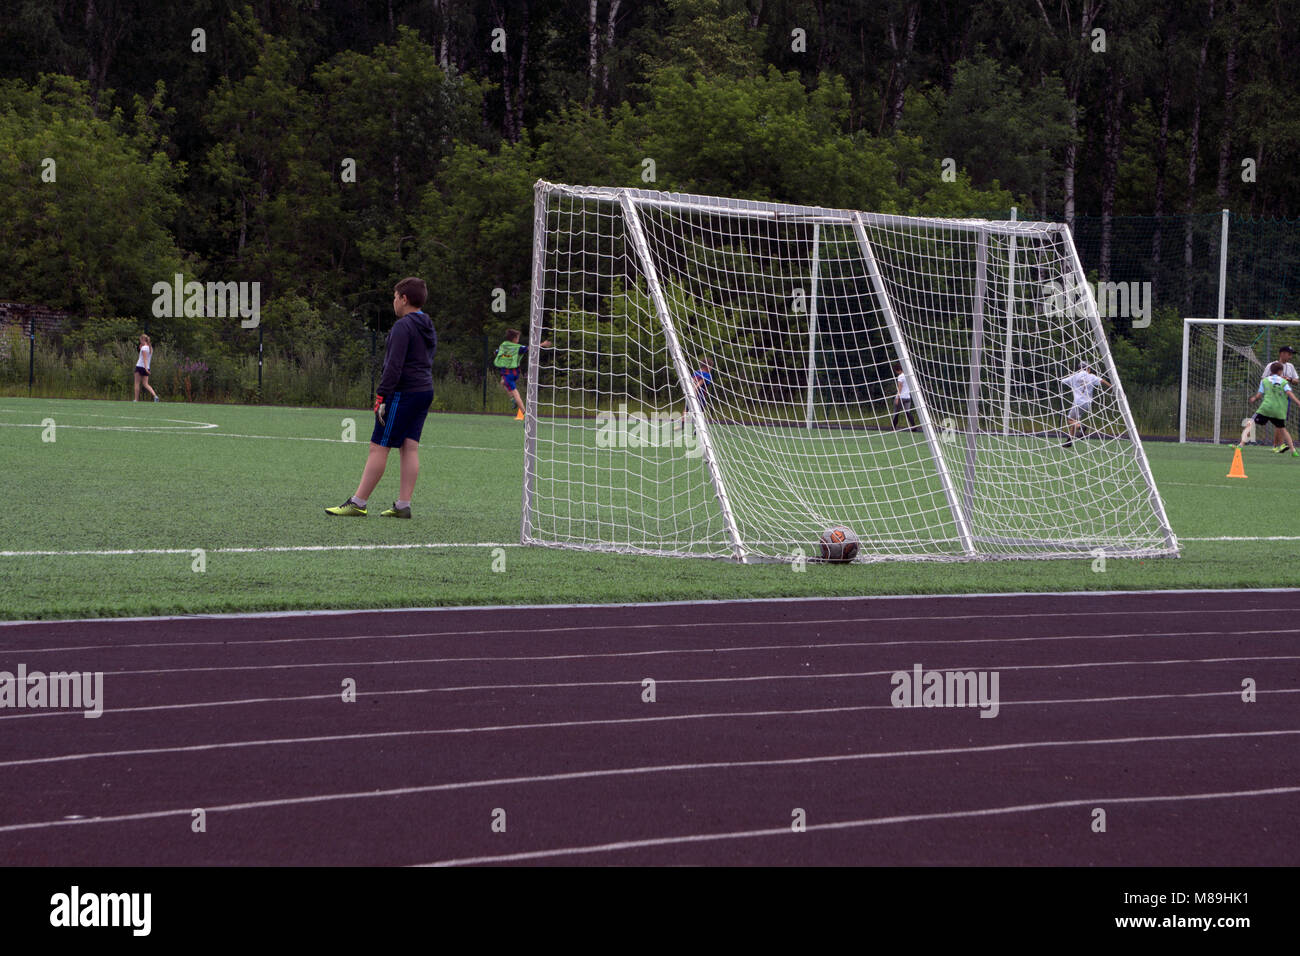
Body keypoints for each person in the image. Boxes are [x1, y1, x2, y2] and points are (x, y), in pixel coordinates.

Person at [326, 278, 436, 518]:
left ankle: (358, 502)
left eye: (395, 297)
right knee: (409, 447)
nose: (394, 302)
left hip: (403, 393)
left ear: (404, 299)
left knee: (379, 446)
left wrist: (381, 395)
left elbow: (394, 366)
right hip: (424, 390)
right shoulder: (427, 323)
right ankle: (403, 505)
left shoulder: (402, 326)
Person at [1241, 361, 1300, 456]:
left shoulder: (1265, 381)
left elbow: (1259, 395)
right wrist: (1298, 402)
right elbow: (1289, 393)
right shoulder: (1284, 381)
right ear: (1280, 371)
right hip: (1279, 410)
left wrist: (1254, 398)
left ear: (1271, 371)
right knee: (1283, 429)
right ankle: (1293, 451)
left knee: (1250, 422)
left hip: (1266, 408)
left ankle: (1240, 445)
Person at [494, 329, 550, 421]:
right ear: (514, 338)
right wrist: (542, 344)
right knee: (502, 382)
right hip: (515, 373)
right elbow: (530, 347)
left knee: (516, 394)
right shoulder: (518, 347)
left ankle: (525, 414)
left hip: (508, 374)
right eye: (518, 338)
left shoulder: (503, 346)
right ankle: (513, 400)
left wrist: (505, 357)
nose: (518, 339)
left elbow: (496, 353)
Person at [1061, 363, 1110, 448]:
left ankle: (1081, 427)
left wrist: (1072, 375)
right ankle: (1069, 441)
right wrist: (1112, 386)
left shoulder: (1075, 376)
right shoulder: (1091, 376)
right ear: (1088, 369)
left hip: (1077, 402)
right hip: (1087, 404)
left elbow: (1062, 381)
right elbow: (1102, 381)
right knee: (1074, 420)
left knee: (1070, 420)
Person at [1265, 345, 1299, 450]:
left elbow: (1296, 381)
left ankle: (1277, 446)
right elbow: (1264, 379)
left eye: (1291, 354)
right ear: (1282, 354)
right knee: (1279, 421)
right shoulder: (1271, 365)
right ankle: (1279, 445)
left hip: (1286, 398)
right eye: (1289, 354)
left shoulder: (1291, 366)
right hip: (1274, 397)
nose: (1290, 356)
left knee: (1280, 422)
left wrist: (1288, 379)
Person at [891, 364, 919, 431]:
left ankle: (893, 428)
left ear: (898, 370)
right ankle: (914, 427)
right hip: (908, 397)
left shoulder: (900, 377)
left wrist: (897, 398)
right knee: (908, 412)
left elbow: (900, 388)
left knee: (896, 413)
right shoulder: (908, 376)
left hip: (901, 397)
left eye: (896, 371)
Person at [133, 333, 159, 402]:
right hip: (147, 367)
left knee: (137, 383)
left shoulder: (144, 348)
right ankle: (155, 396)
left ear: (142, 340)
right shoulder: (150, 348)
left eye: (140, 340)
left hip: (140, 367)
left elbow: (144, 359)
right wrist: (147, 368)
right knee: (145, 384)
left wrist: (146, 369)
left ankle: (136, 399)